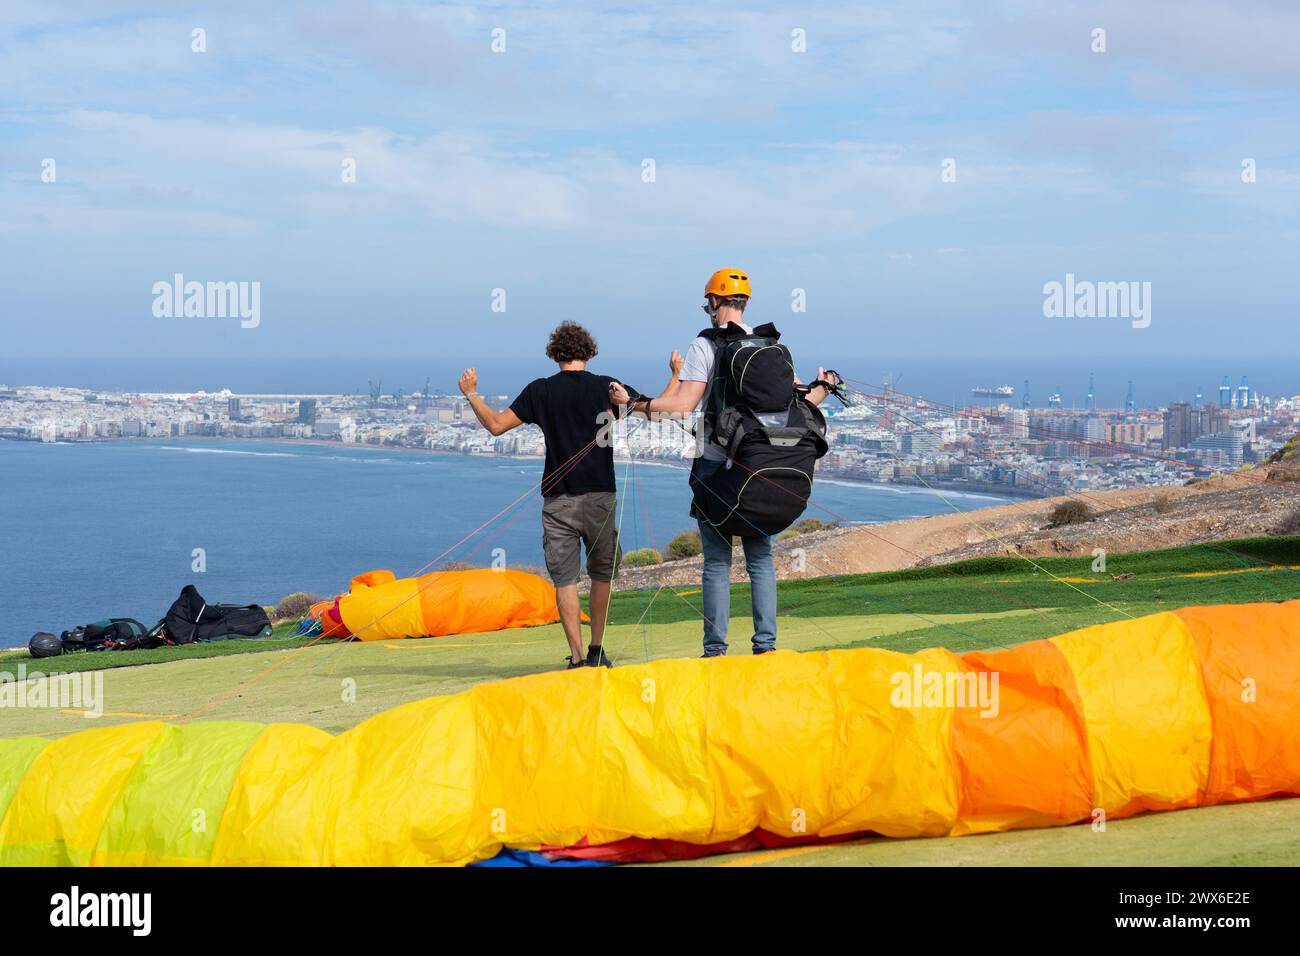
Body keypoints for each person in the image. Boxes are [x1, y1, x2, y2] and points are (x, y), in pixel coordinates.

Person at [610, 269, 837, 657]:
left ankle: (716, 652)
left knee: (717, 563)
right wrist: (826, 386)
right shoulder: (768, 344)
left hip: (718, 469)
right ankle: (765, 648)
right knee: (760, 558)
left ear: (713, 301)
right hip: (760, 464)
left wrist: (634, 403)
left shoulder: (707, 345)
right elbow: (800, 403)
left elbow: (682, 407)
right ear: (744, 303)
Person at [459, 321, 624, 669]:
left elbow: (496, 426)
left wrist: (472, 393)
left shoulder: (541, 390)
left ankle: (578, 657)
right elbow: (655, 408)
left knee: (564, 579)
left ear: (554, 354)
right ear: (589, 352)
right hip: (600, 496)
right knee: (601, 574)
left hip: (559, 499)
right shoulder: (607, 387)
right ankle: (597, 650)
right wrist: (676, 375)